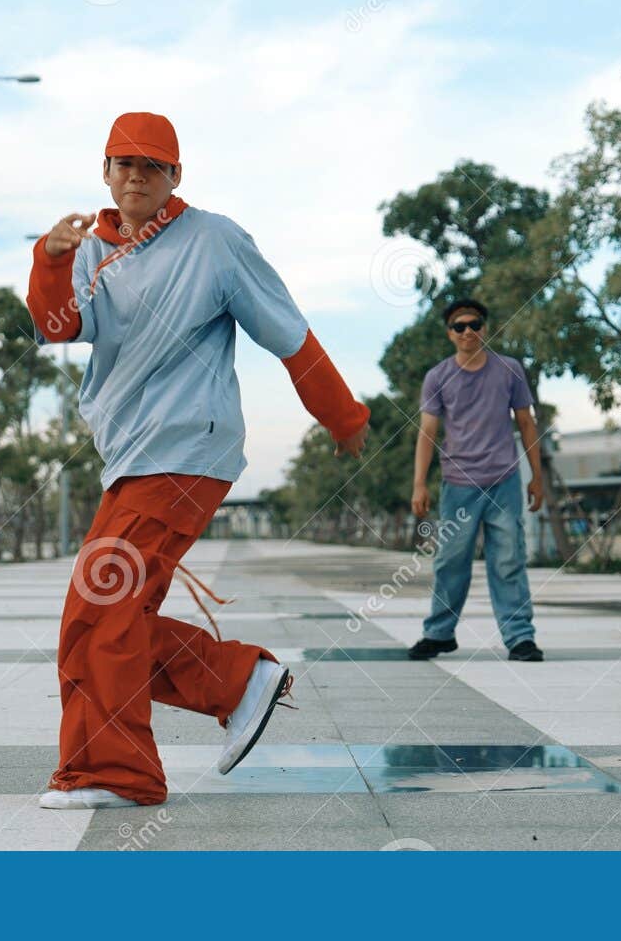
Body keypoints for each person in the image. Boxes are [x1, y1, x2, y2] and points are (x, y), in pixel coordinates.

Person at [25, 112, 370, 809]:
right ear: (105, 171)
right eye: (124, 163)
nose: (137, 176)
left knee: (102, 605)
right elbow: (58, 327)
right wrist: (52, 259)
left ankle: (116, 773)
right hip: (130, 456)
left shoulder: (215, 240)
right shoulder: (92, 250)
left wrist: (343, 416)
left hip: (186, 449)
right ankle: (237, 682)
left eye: (152, 165)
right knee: (109, 616)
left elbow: (288, 332)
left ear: (175, 175)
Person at [408, 298, 546, 662]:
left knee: (508, 559)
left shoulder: (509, 370)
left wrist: (537, 477)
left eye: (474, 325)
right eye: (459, 326)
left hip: (504, 480)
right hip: (458, 484)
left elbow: (526, 423)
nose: (468, 331)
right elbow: (427, 432)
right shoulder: (438, 377)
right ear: (450, 333)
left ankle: (520, 638)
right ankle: (439, 633)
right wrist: (419, 483)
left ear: (485, 329)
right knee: (450, 561)